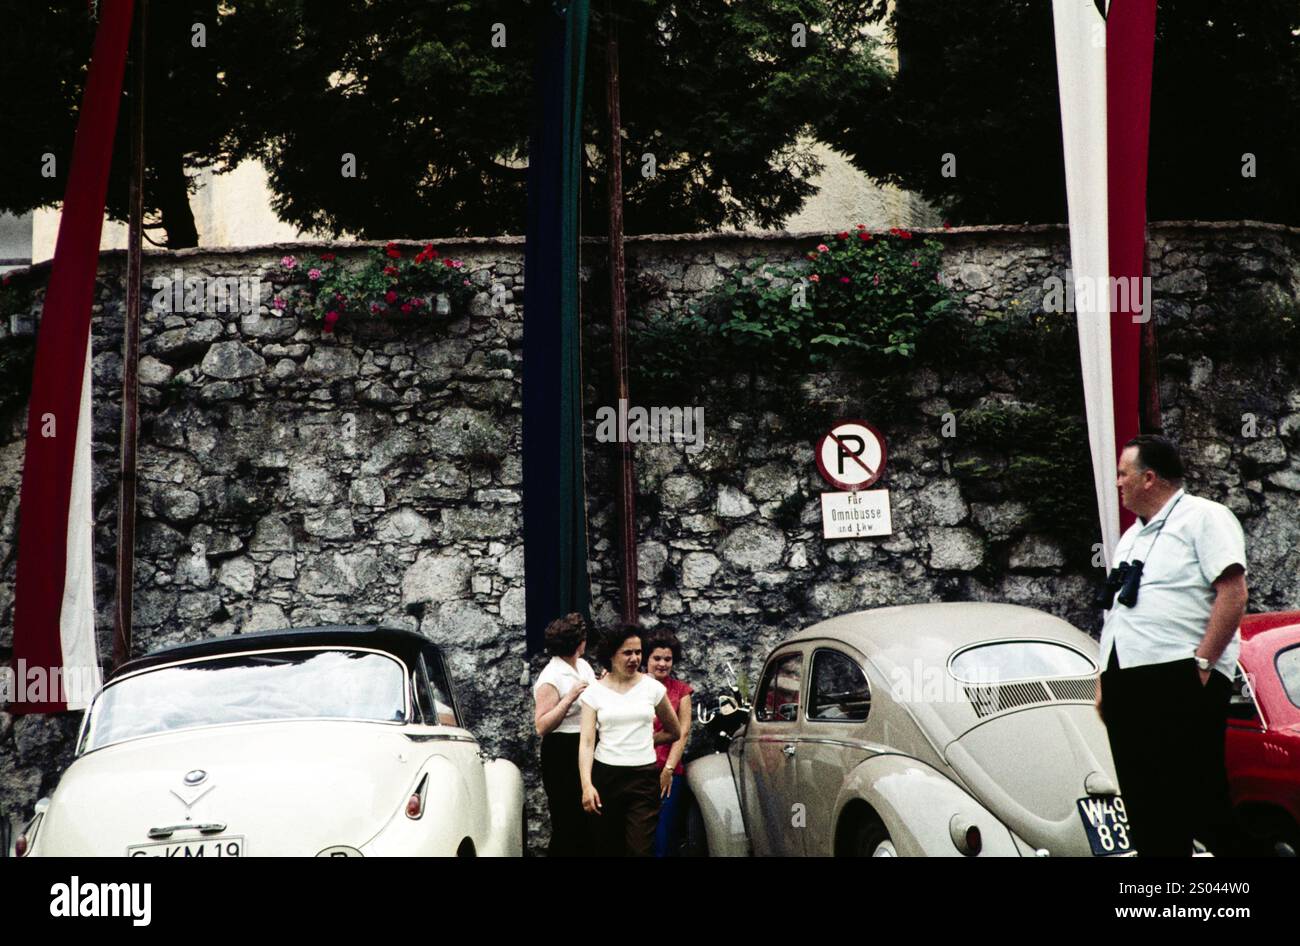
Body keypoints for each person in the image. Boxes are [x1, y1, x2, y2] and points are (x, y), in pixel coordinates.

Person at [1095, 435, 1249, 857]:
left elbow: (1233, 592)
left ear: (1149, 477)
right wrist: (1106, 679)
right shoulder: (1130, 538)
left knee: (1200, 799)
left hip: (1179, 673)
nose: (1118, 483)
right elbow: (1120, 609)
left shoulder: (1205, 518)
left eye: (1123, 474)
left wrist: (1202, 664)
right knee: (1146, 807)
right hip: (1129, 679)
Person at [578, 625, 681, 857]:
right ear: (612, 654)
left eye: (638, 652)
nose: (635, 658)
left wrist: (646, 740)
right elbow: (586, 742)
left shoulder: (652, 688)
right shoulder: (594, 692)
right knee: (608, 848)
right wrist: (587, 785)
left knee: (639, 850)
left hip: (643, 777)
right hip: (606, 777)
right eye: (628, 652)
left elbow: (674, 731)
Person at [533, 612, 597, 857]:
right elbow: (542, 725)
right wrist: (570, 696)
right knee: (567, 817)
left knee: (589, 817)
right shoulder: (551, 676)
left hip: (588, 742)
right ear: (578, 642)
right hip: (562, 748)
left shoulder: (583, 666)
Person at [645, 629, 692, 857]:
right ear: (647, 659)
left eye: (668, 659)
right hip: (638, 770)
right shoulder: (636, 687)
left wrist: (668, 769)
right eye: (657, 658)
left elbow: (682, 732)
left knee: (663, 838)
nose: (662, 663)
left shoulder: (681, 691)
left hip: (668, 772)